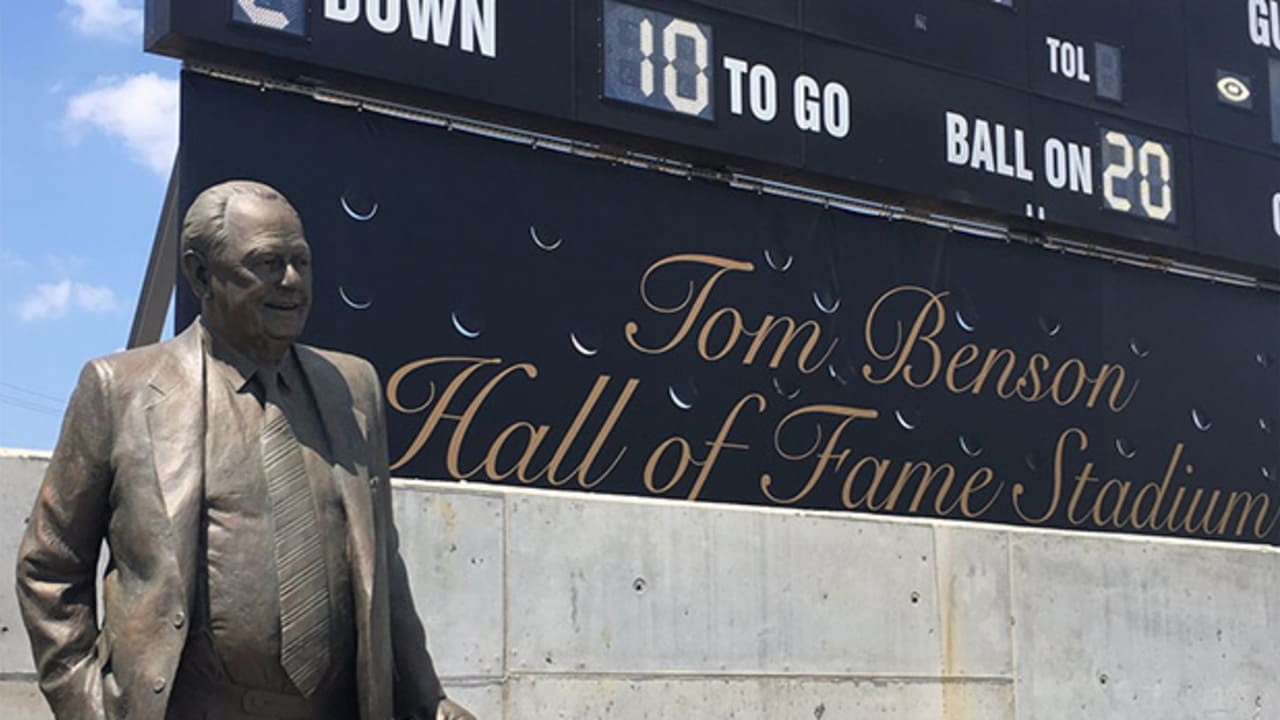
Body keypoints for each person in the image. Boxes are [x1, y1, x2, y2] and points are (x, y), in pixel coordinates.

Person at [15, 180, 476, 720]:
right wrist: (87, 707)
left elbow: (382, 570)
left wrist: (426, 698)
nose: (292, 281)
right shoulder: (120, 390)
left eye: (301, 262)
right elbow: (51, 567)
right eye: (267, 263)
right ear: (200, 274)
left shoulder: (353, 389)